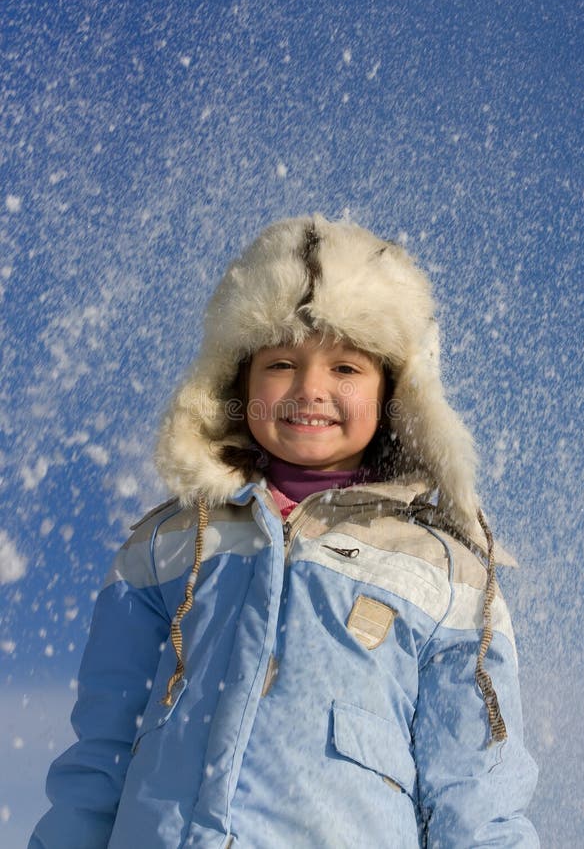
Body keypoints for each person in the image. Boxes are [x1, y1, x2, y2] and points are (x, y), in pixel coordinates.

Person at [30, 214, 539, 848]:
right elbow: (100, 758)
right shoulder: (168, 547)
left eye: (347, 368)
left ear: (393, 394)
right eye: (280, 362)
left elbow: (476, 794)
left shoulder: (445, 571)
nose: (310, 390)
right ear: (237, 380)